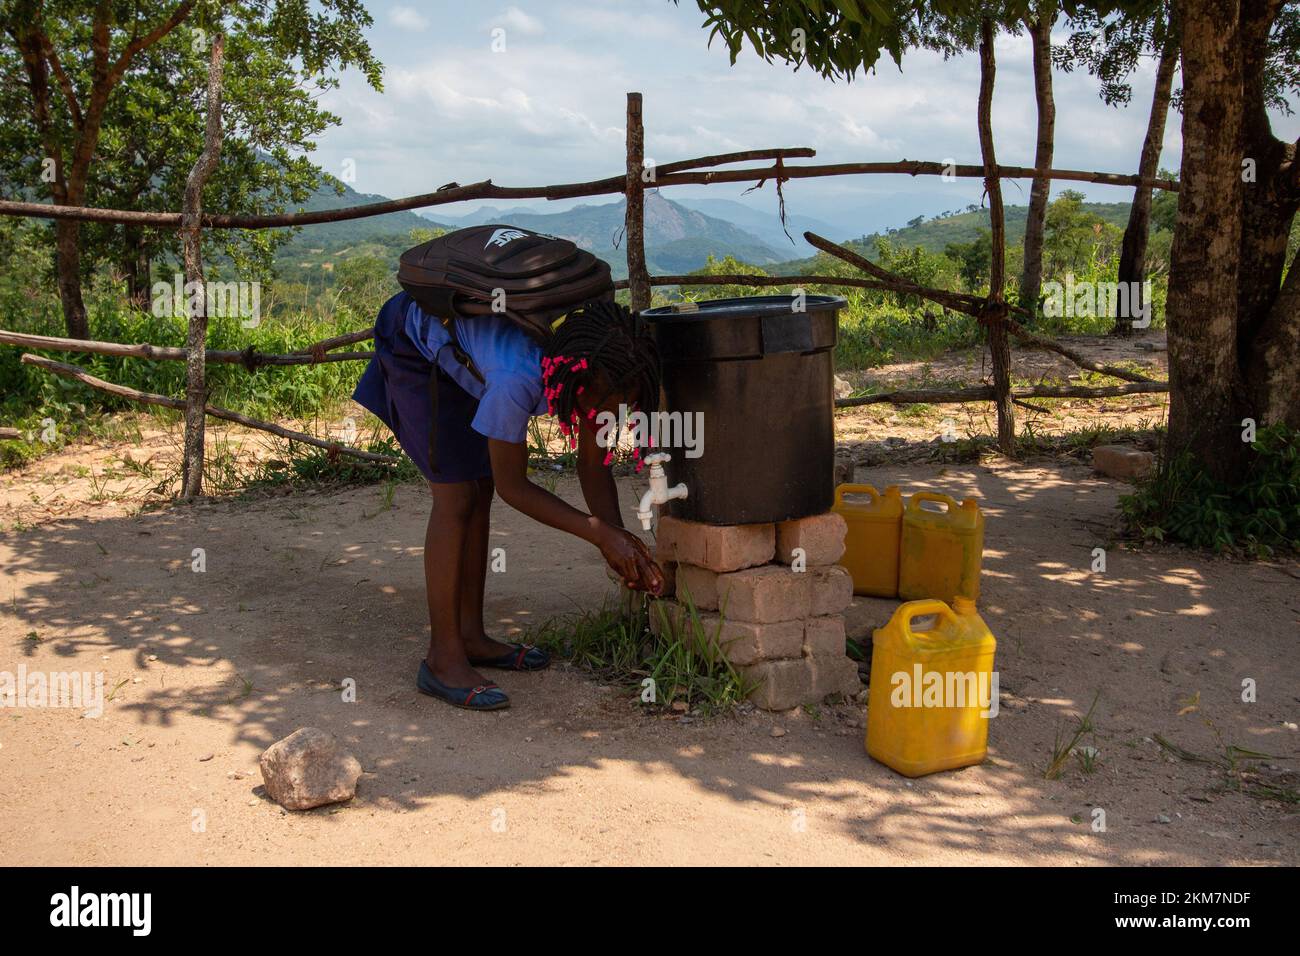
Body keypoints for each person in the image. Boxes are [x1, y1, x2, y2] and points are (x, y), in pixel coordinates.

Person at [353, 291, 666, 711]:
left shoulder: (599, 377)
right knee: (458, 494)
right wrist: (601, 535)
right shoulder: (517, 379)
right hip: (415, 340)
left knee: (477, 488)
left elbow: (593, 467)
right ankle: (442, 660)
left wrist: (621, 545)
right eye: (608, 408)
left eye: (622, 409)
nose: (613, 417)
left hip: (466, 352)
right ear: (579, 383)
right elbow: (514, 487)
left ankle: (471, 637)